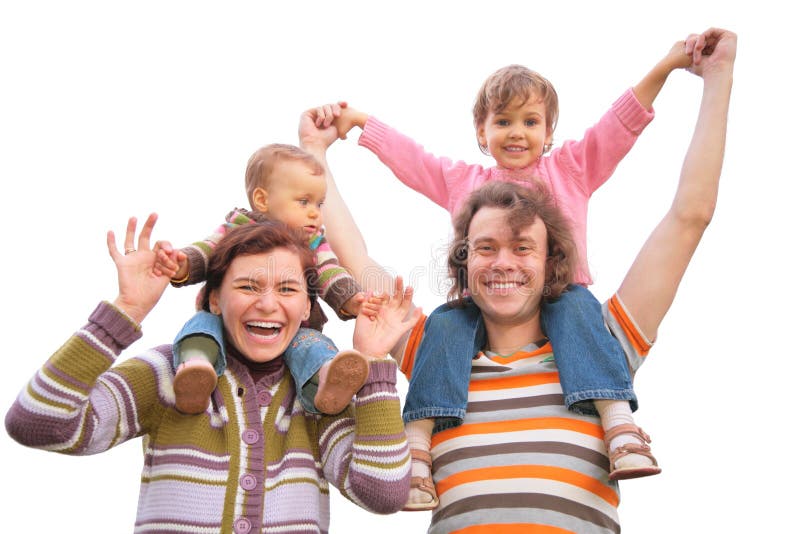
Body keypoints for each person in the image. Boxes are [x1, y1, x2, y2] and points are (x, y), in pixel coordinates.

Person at [307, 26, 735, 531]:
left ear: (551, 256)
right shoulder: (438, 353)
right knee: (444, 321)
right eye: (486, 247)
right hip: (452, 341)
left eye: (523, 246)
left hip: (579, 324)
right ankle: (416, 450)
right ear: (464, 258)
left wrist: (708, 75)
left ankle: (620, 423)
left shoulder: (600, 345)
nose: (504, 262)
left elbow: (687, 210)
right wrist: (316, 153)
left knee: (577, 312)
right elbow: (369, 236)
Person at [5, 216, 420, 532]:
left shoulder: (318, 394)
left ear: (305, 308)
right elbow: (39, 424)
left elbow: (381, 493)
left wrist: (376, 361)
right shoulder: (170, 371)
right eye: (248, 287)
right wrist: (125, 311)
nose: (269, 304)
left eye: (288, 290)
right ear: (214, 301)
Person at [153, 144, 377, 416]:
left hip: (291, 330)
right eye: (304, 201)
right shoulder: (238, 228)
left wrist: (351, 299)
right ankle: (196, 371)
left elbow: (331, 271)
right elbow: (207, 249)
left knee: (313, 345)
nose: (315, 212)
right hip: (228, 325)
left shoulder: (314, 243)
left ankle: (327, 381)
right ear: (262, 200)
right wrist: (181, 263)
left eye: (319, 204)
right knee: (200, 326)